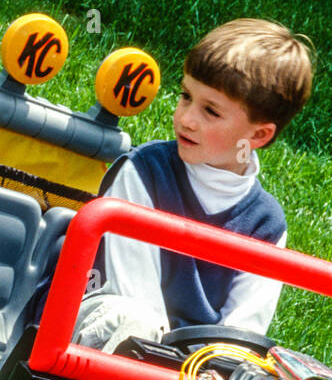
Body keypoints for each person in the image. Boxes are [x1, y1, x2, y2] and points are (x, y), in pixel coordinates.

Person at [75, 18, 314, 351]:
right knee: (132, 319)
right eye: (186, 96)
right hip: (104, 333)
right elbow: (132, 293)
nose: (186, 118)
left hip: (193, 365)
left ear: (258, 135)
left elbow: (242, 332)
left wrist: (212, 372)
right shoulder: (145, 172)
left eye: (211, 111)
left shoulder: (266, 224)